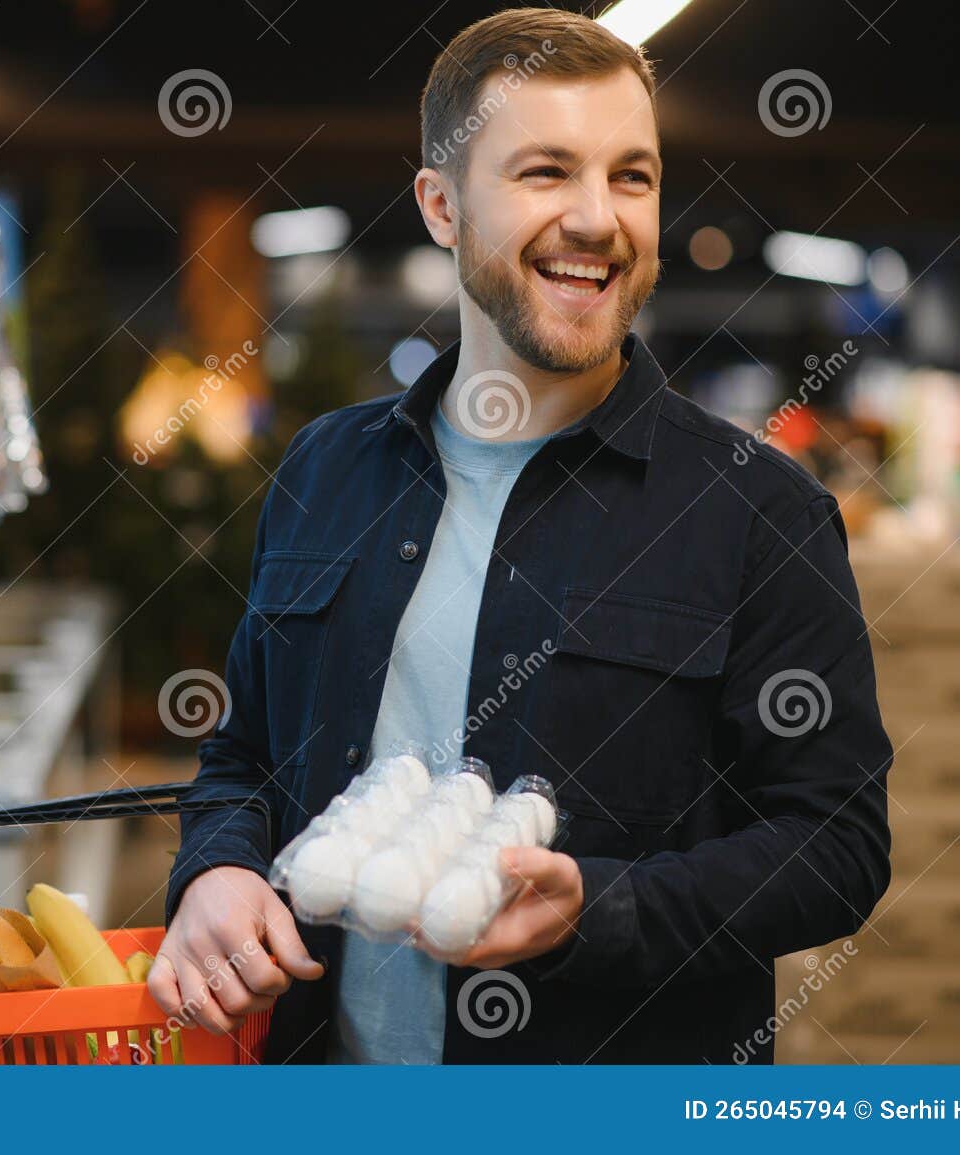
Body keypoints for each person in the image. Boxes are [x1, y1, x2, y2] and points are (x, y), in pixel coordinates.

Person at [147, 6, 891, 1064]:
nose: (598, 218)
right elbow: (244, 757)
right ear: (442, 207)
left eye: (630, 177)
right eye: (546, 171)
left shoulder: (755, 513)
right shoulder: (327, 471)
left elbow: (837, 848)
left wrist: (599, 905)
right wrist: (217, 870)